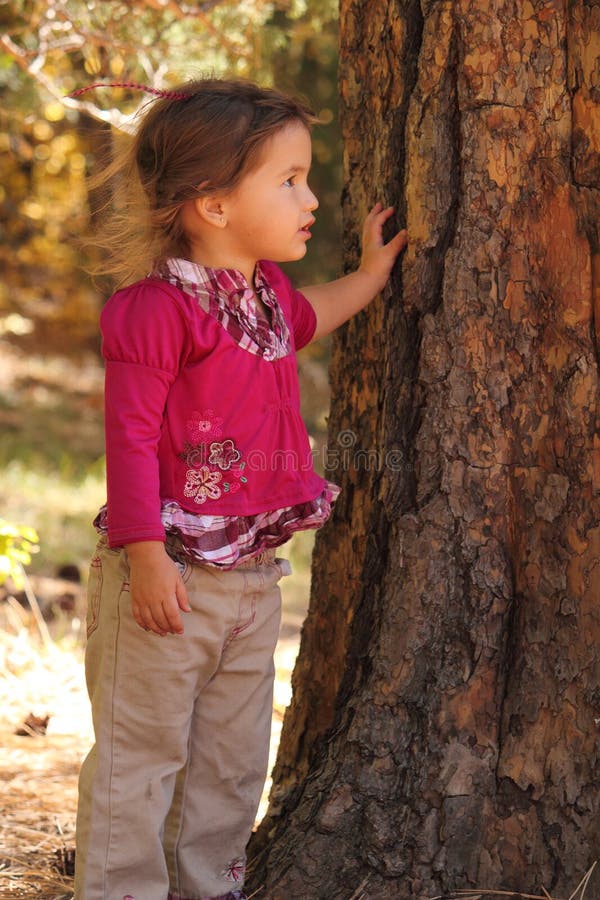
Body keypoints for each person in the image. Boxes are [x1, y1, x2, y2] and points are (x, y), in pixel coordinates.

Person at [74, 77, 408, 900]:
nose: (311, 197)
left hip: (255, 582)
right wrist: (145, 556)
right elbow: (130, 438)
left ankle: (208, 889)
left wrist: (372, 275)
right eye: (288, 180)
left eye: (306, 178)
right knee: (138, 762)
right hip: (168, 578)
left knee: (229, 767)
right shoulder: (156, 310)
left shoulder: (264, 300)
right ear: (214, 204)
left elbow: (313, 314)